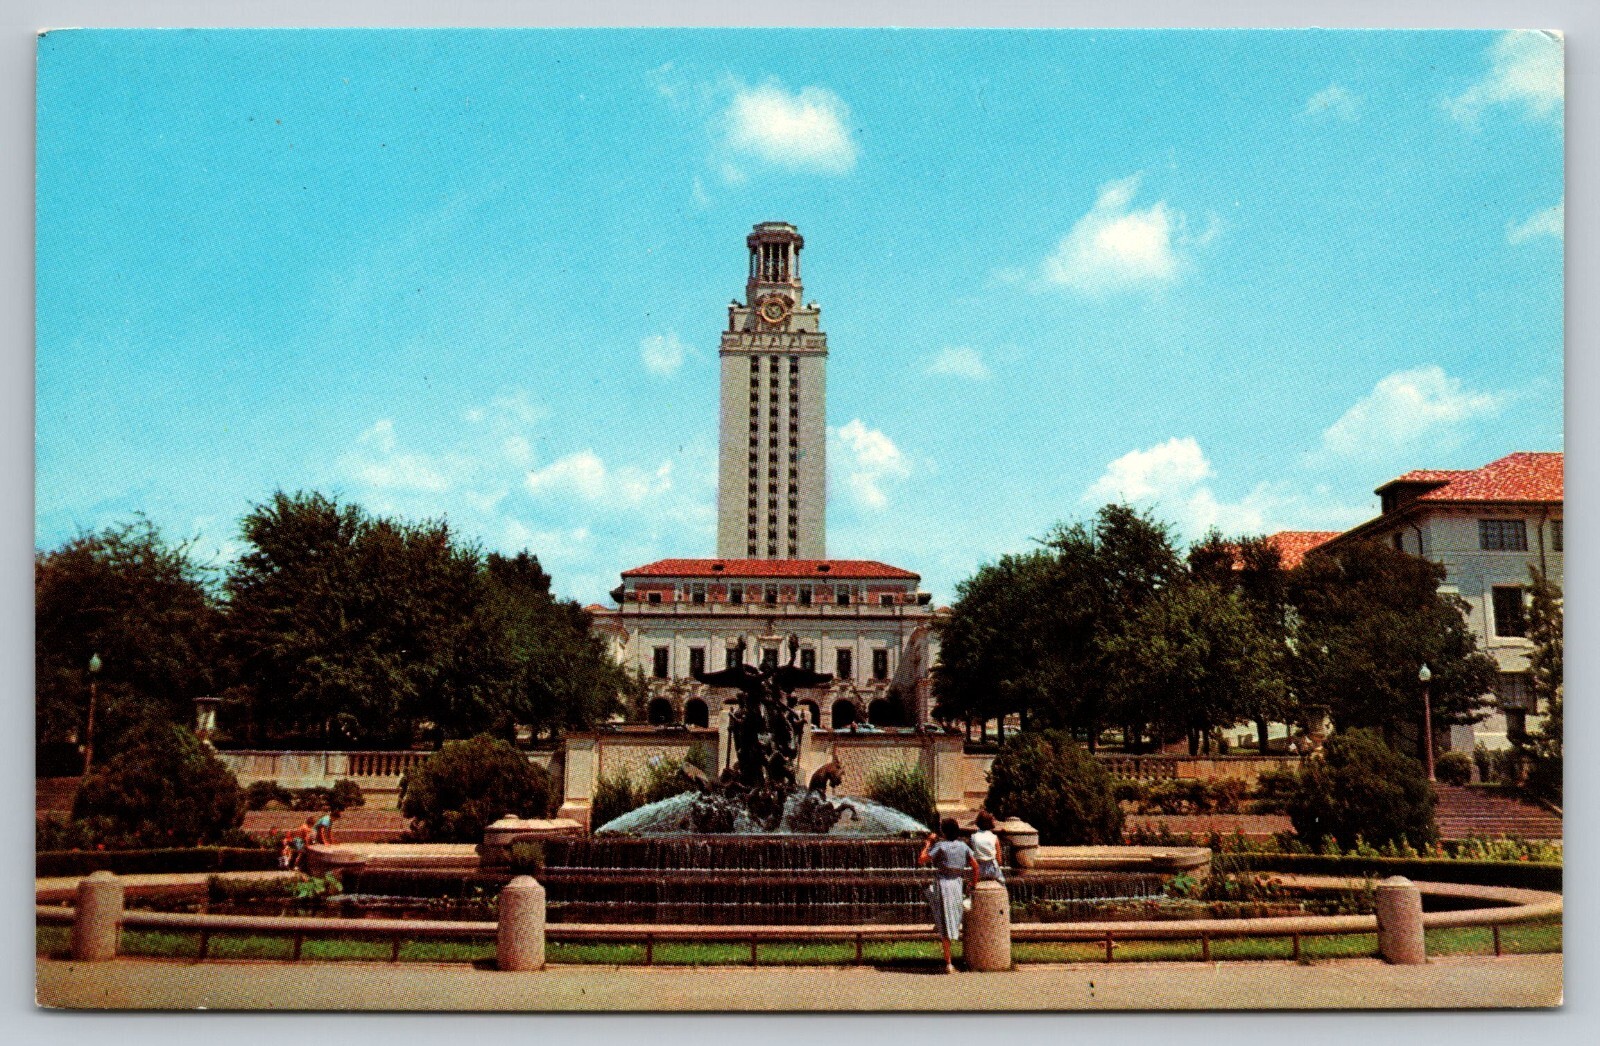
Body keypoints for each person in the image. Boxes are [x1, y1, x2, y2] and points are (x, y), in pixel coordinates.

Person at [918, 817, 979, 974]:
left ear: (943, 832)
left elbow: (921, 860)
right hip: (957, 884)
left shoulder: (939, 846)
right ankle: (951, 959)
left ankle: (949, 963)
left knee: (944, 923)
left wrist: (927, 844)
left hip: (943, 884)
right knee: (953, 918)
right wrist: (973, 884)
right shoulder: (963, 846)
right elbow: (975, 866)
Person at [970, 811, 1005, 885]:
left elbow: (971, 857)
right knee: (1002, 883)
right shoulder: (994, 837)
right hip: (992, 868)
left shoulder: (973, 837)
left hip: (979, 869)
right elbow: (999, 860)